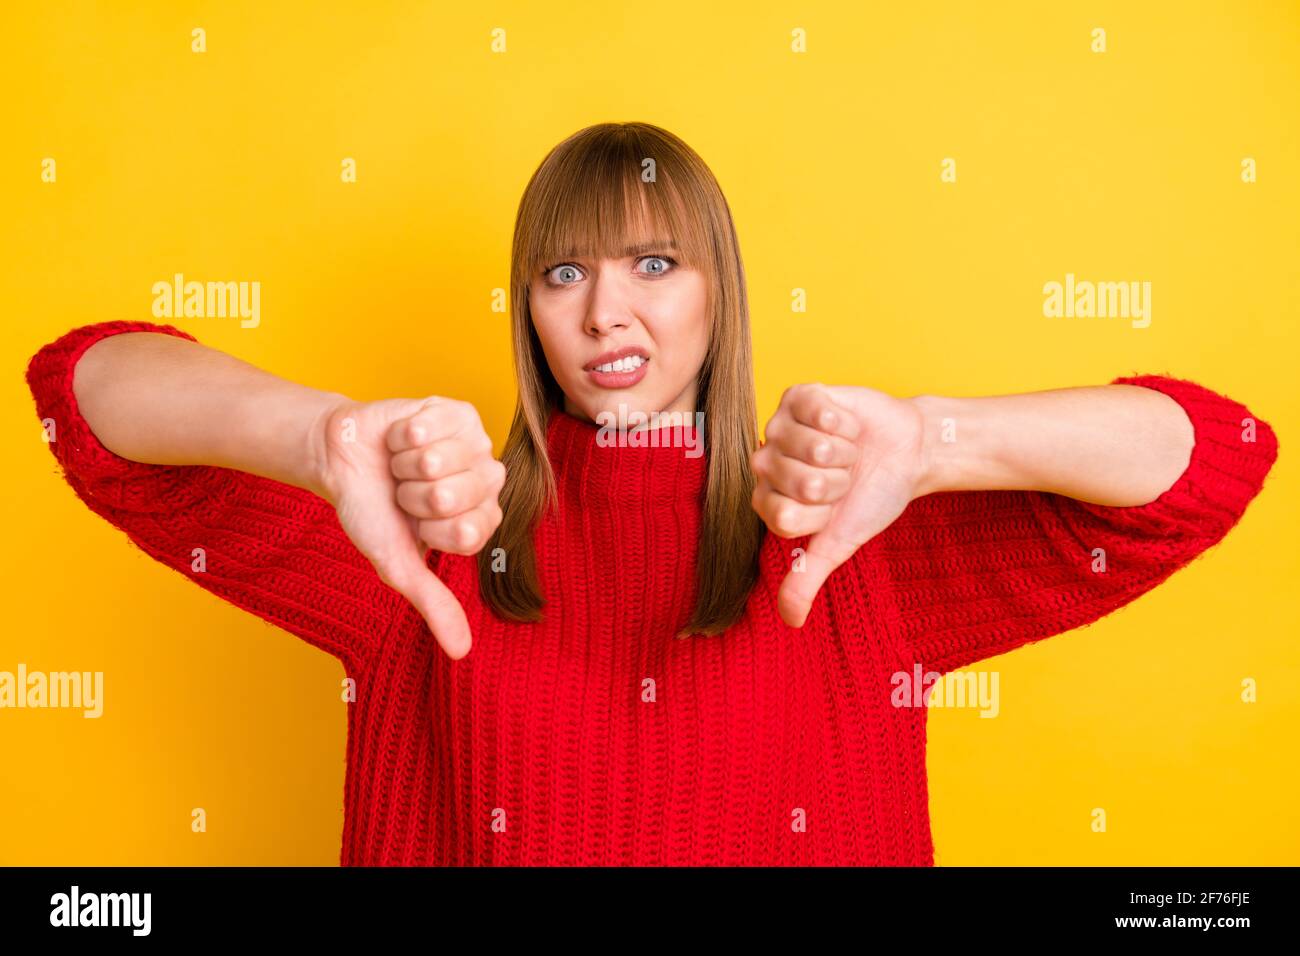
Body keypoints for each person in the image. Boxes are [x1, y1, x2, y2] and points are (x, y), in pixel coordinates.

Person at [25, 122, 1278, 865]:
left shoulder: (845, 541)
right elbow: (81, 394)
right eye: (563, 269)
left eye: (655, 262)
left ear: (719, 292)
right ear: (526, 308)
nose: (606, 310)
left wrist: (936, 441)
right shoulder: (425, 536)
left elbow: (1211, 459)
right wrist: (321, 434)